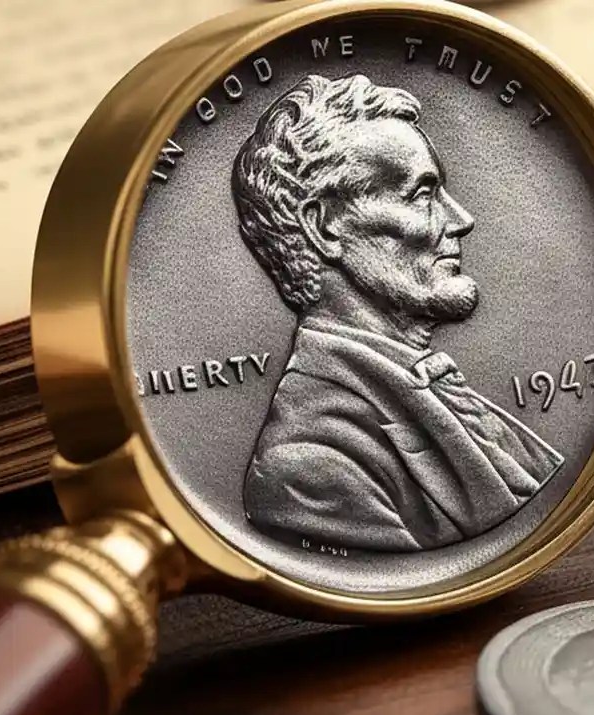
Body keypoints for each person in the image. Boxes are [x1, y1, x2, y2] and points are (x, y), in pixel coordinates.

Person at [232, 74, 564, 552]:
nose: (460, 219)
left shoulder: (428, 389)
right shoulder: (307, 464)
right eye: (422, 195)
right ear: (324, 225)